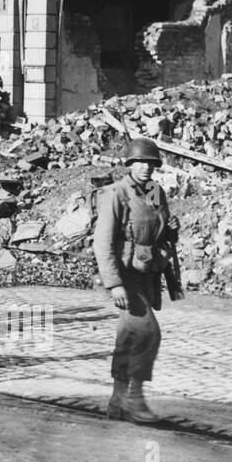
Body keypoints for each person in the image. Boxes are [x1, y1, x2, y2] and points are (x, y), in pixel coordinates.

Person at [94, 137, 179, 425]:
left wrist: (170, 230)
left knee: (129, 336)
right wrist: (114, 283)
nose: (146, 168)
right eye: (140, 162)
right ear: (130, 164)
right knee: (147, 333)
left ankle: (117, 400)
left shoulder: (156, 193)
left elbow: (158, 233)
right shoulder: (116, 194)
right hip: (125, 276)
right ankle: (135, 399)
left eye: (151, 163)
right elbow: (102, 242)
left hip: (147, 274)